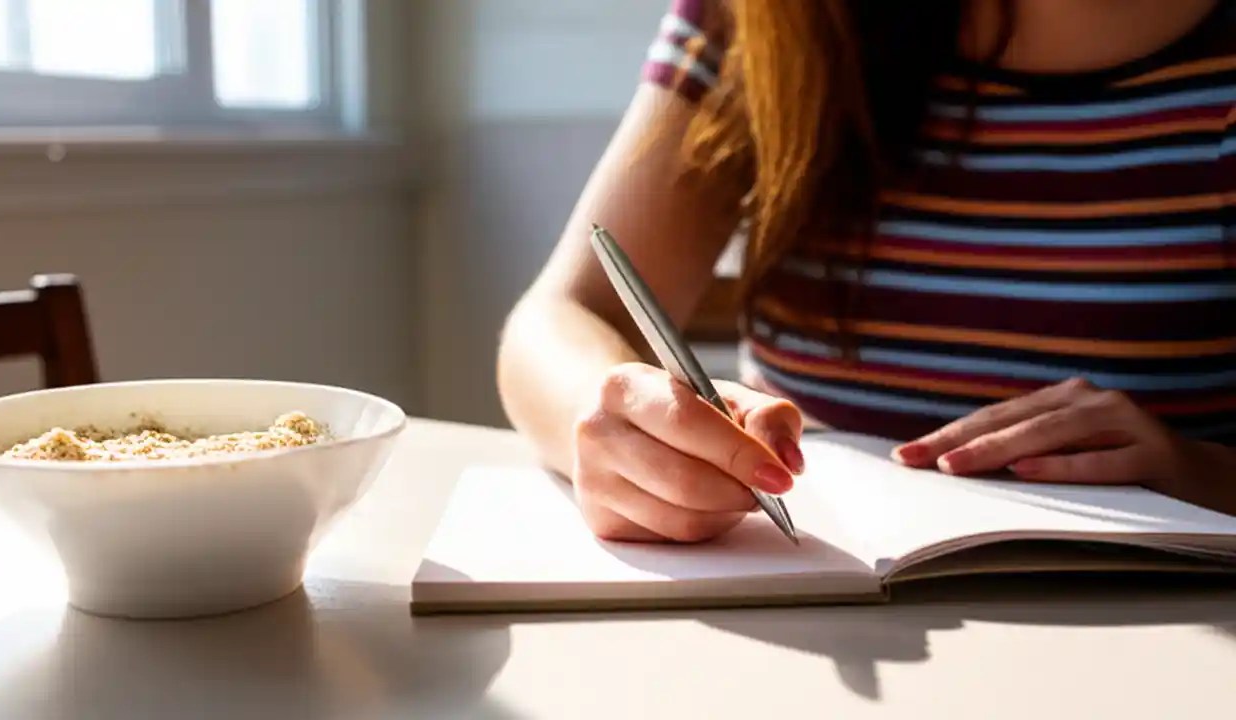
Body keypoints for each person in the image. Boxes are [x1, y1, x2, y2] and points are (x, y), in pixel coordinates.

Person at [497, 0, 1236, 543]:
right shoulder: (770, 22)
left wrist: (1200, 478)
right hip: (815, 598)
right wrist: (617, 424)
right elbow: (563, 314)